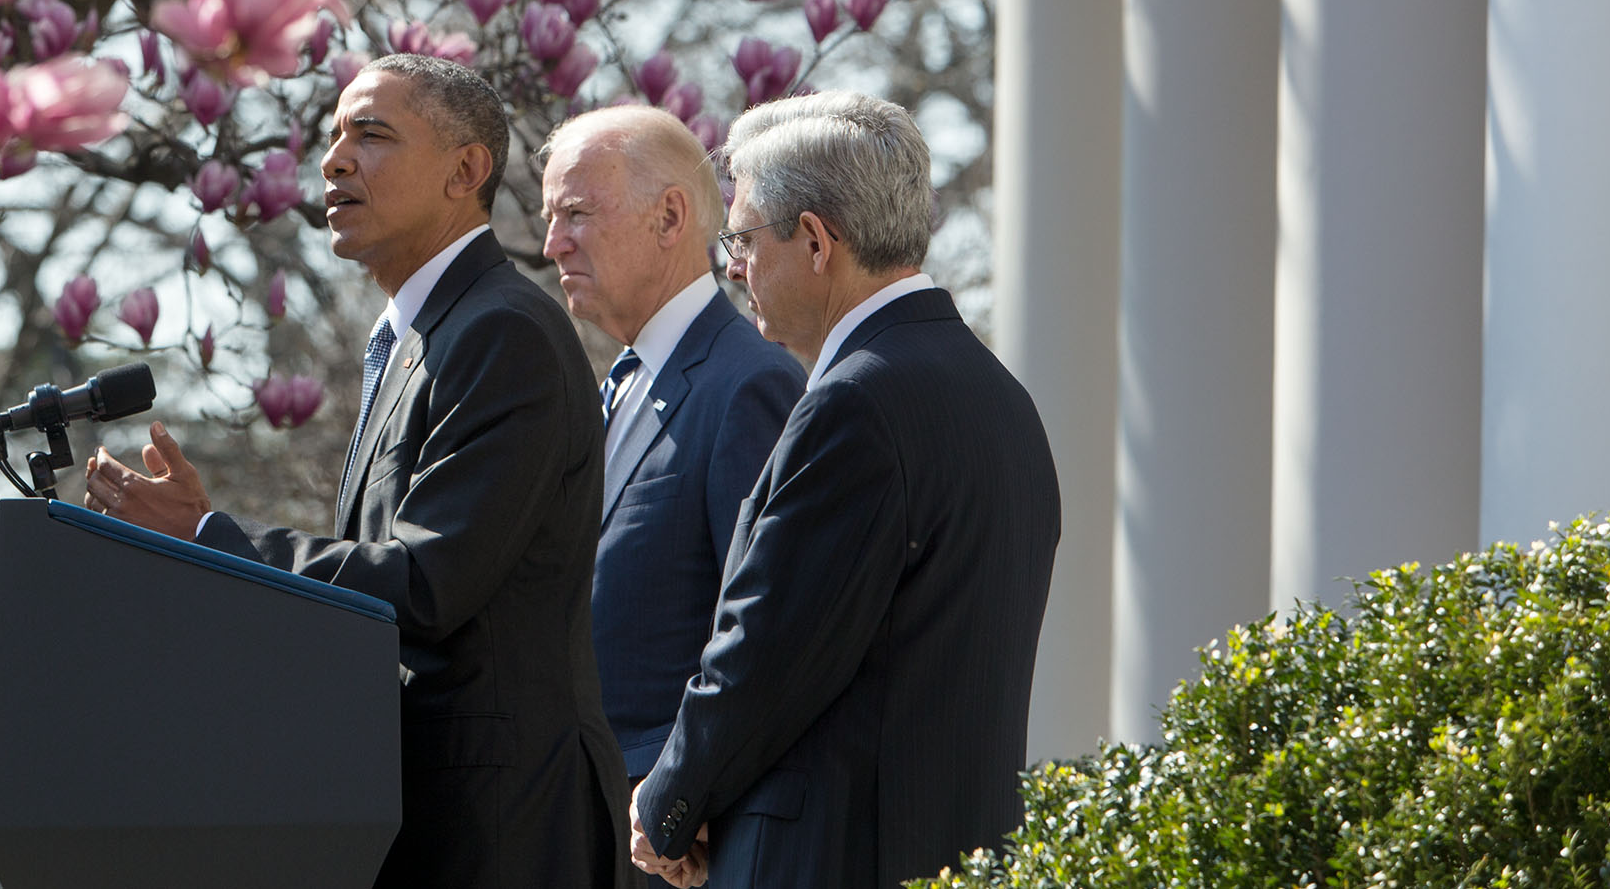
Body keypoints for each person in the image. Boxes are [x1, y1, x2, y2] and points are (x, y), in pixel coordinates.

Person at [87, 53, 626, 889]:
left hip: (502, 829)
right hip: (417, 814)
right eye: (332, 136)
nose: (333, 160)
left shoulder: (502, 331)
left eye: (370, 134)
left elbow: (424, 580)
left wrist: (207, 536)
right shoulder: (421, 335)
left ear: (466, 170)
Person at [628, 92, 1059, 889]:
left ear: (817, 240)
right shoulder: (1004, 398)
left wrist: (667, 802)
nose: (732, 265)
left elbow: (770, 648)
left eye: (744, 238)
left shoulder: (854, 402)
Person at [541, 107, 802, 887]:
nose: (554, 242)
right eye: (551, 217)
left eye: (577, 213)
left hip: (672, 842)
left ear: (670, 216)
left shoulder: (748, 381)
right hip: (589, 819)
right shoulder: (620, 382)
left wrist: (689, 796)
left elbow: (763, 630)